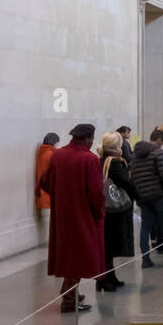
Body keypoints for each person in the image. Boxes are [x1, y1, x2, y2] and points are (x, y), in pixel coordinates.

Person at [38, 124, 104, 313]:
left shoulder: (57, 155)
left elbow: (44, 182)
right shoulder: (89, 159)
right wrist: (99, 212)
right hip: (83, 216)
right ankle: (68, 299)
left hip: (62, 216)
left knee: (69, 256)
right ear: (88, 139)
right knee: (80, 256)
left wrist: (61, 196)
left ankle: (70, 292)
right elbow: (95, 193)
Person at [129, 129, 163, 267]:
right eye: (162, 142)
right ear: (158, 140)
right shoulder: (159, 153)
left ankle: (145, 260)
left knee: (145, 226)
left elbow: (133, 178)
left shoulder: (135, 156)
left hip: (143, 196)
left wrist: (137, 195)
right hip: (158, 195)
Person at [97, 131, 137, 291]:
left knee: (108, 247)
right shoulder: (115, 162)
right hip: (114, 211)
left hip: (106, 209)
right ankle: (104, 279)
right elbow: (125, 183)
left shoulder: (101, 160)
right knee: (110, 246)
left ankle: (109, 276)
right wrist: (137, 195)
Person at [35, 133, 59, 211]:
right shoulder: (51, 154)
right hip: (49, 190)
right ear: (54, 142)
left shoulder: (41, 152)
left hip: (41, 189)